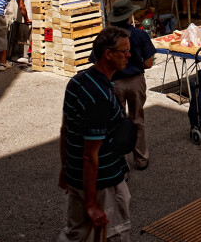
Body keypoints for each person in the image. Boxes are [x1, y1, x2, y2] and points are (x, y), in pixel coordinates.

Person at [58, 26, 133, 242]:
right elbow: (90, 155)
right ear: (108, 54)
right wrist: (92, 203)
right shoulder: (99, 96)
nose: (129, 56)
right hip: (103, 183)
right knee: (114, 234)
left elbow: (66, 130)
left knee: (77, 234)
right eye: (124, 51)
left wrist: (66, 168)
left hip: (77, 178)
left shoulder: (77, 81)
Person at [108, 0, 156, 172]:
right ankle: (141, 159)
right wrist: (137, 65)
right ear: (130, 16)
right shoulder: (140, 34)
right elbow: (149, 63)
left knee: (117, 123)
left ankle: (122, 165)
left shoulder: (107, 37)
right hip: (136, 81)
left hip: (115, 83)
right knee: (137, 120)